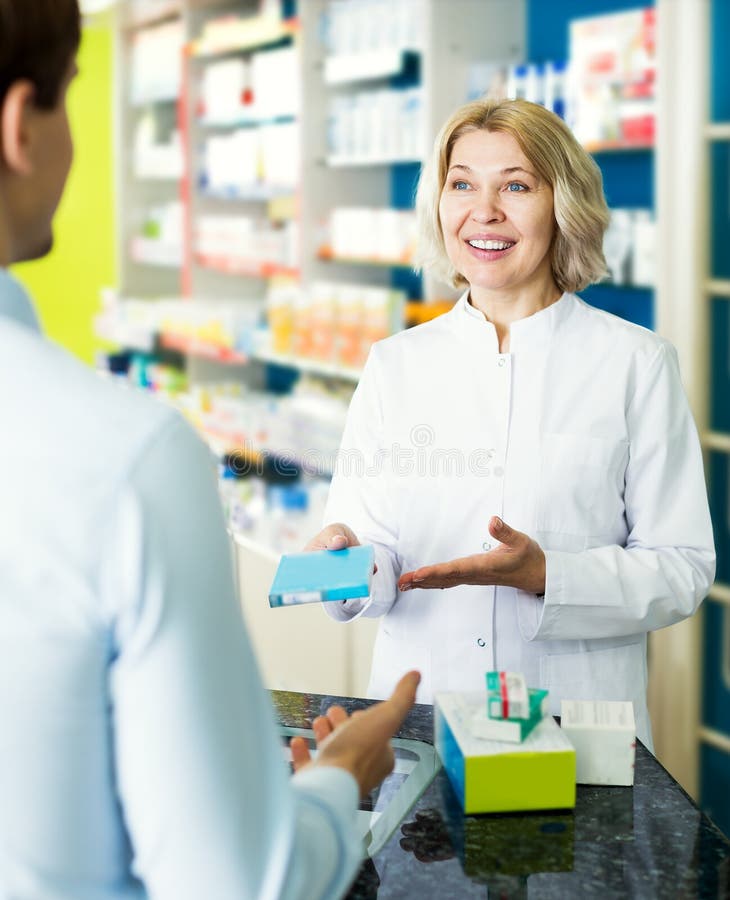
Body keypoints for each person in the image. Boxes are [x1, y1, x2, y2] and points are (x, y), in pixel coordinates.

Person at [0, 2, 419, 898]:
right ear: (19, 128)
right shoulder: (126, 459)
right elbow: (236, 882)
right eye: (71, 96)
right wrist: (338, 779)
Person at [307, 98, 715, 751]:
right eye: (462, 184)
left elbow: (682, 568)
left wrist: (548, 575)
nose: (484, 211)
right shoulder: (395, 365)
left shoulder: (635, 364)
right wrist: (343, 561)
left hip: (577, 734)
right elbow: (372, 551)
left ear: (563, 205)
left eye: (516, 186)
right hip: (424, 718)